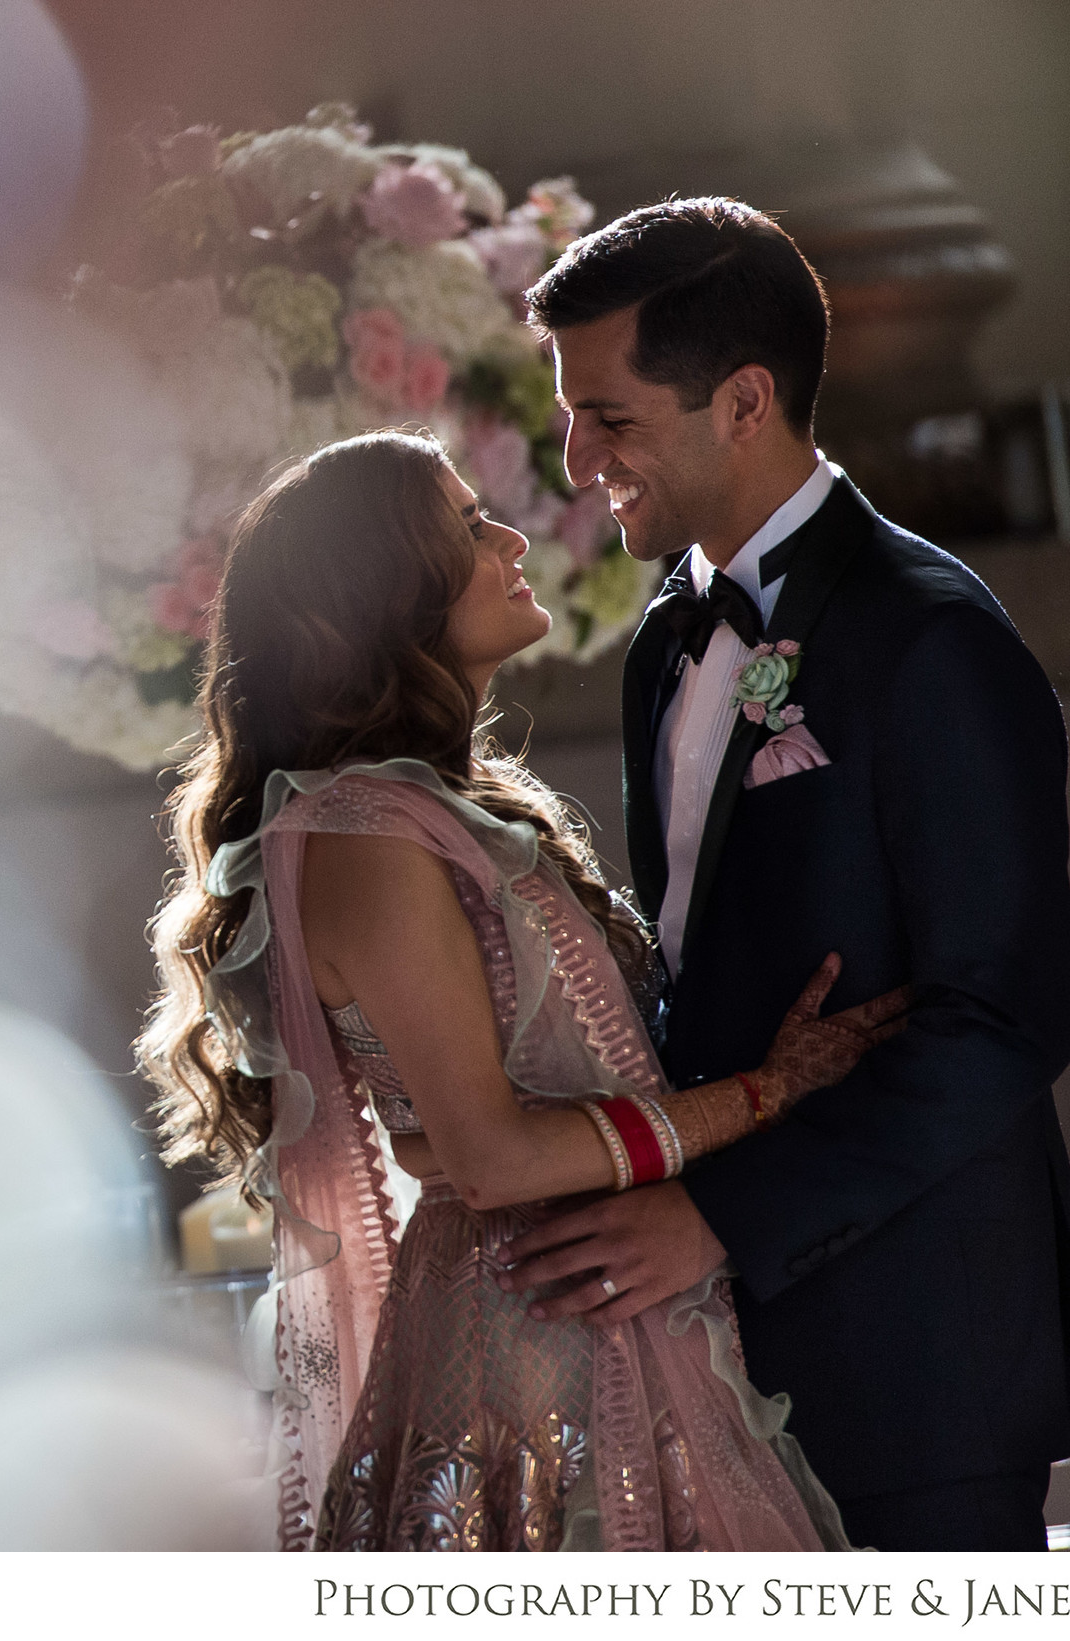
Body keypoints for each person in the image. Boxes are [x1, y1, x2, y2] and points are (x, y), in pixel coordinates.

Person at [136, 431, 897, 1550]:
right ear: (379, 592)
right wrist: (769, 1091)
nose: (507, 537)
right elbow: (489, 1156)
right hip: (536, 1342)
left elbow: (475, 1126)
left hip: (606, 1296)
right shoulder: (363, 836)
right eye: (460, 525)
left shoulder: (440, 809)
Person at [495, 198, 1070, 1551]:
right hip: (724, 1351)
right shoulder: (668, 638)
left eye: (610, 416)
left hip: (917, 1360)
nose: (575, 453)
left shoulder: (928, 639)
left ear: (745, 399)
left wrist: (714, 1211)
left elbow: (1003, 1020)